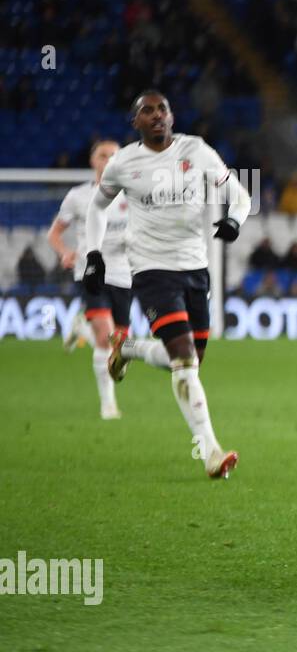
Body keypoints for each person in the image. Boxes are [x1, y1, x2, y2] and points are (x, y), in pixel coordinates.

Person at [82, 89, 250, 478]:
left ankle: (131, 348)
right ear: (135, 122)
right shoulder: (124, 162)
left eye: (162, 109)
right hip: (151, 270)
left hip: (195, 268)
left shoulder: (198, 151)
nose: (156, 116)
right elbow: (97, 207)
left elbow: (239, 196)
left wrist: (234, 221)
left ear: (172, 117)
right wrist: (93, 254)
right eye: (147, 111)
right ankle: (210, 451)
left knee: (190, 360)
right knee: (185, 359)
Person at [47, 138, 167, 419]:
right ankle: (108, 406)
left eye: (114, 155)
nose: (109, 160)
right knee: (105, 335)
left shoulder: (133, 196)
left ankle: (81, 328)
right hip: (91, 273)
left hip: (124, 275)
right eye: (103, 155)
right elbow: (54, 234)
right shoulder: (77, 197)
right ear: (92, 161)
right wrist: (65, 252)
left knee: (118, 344)